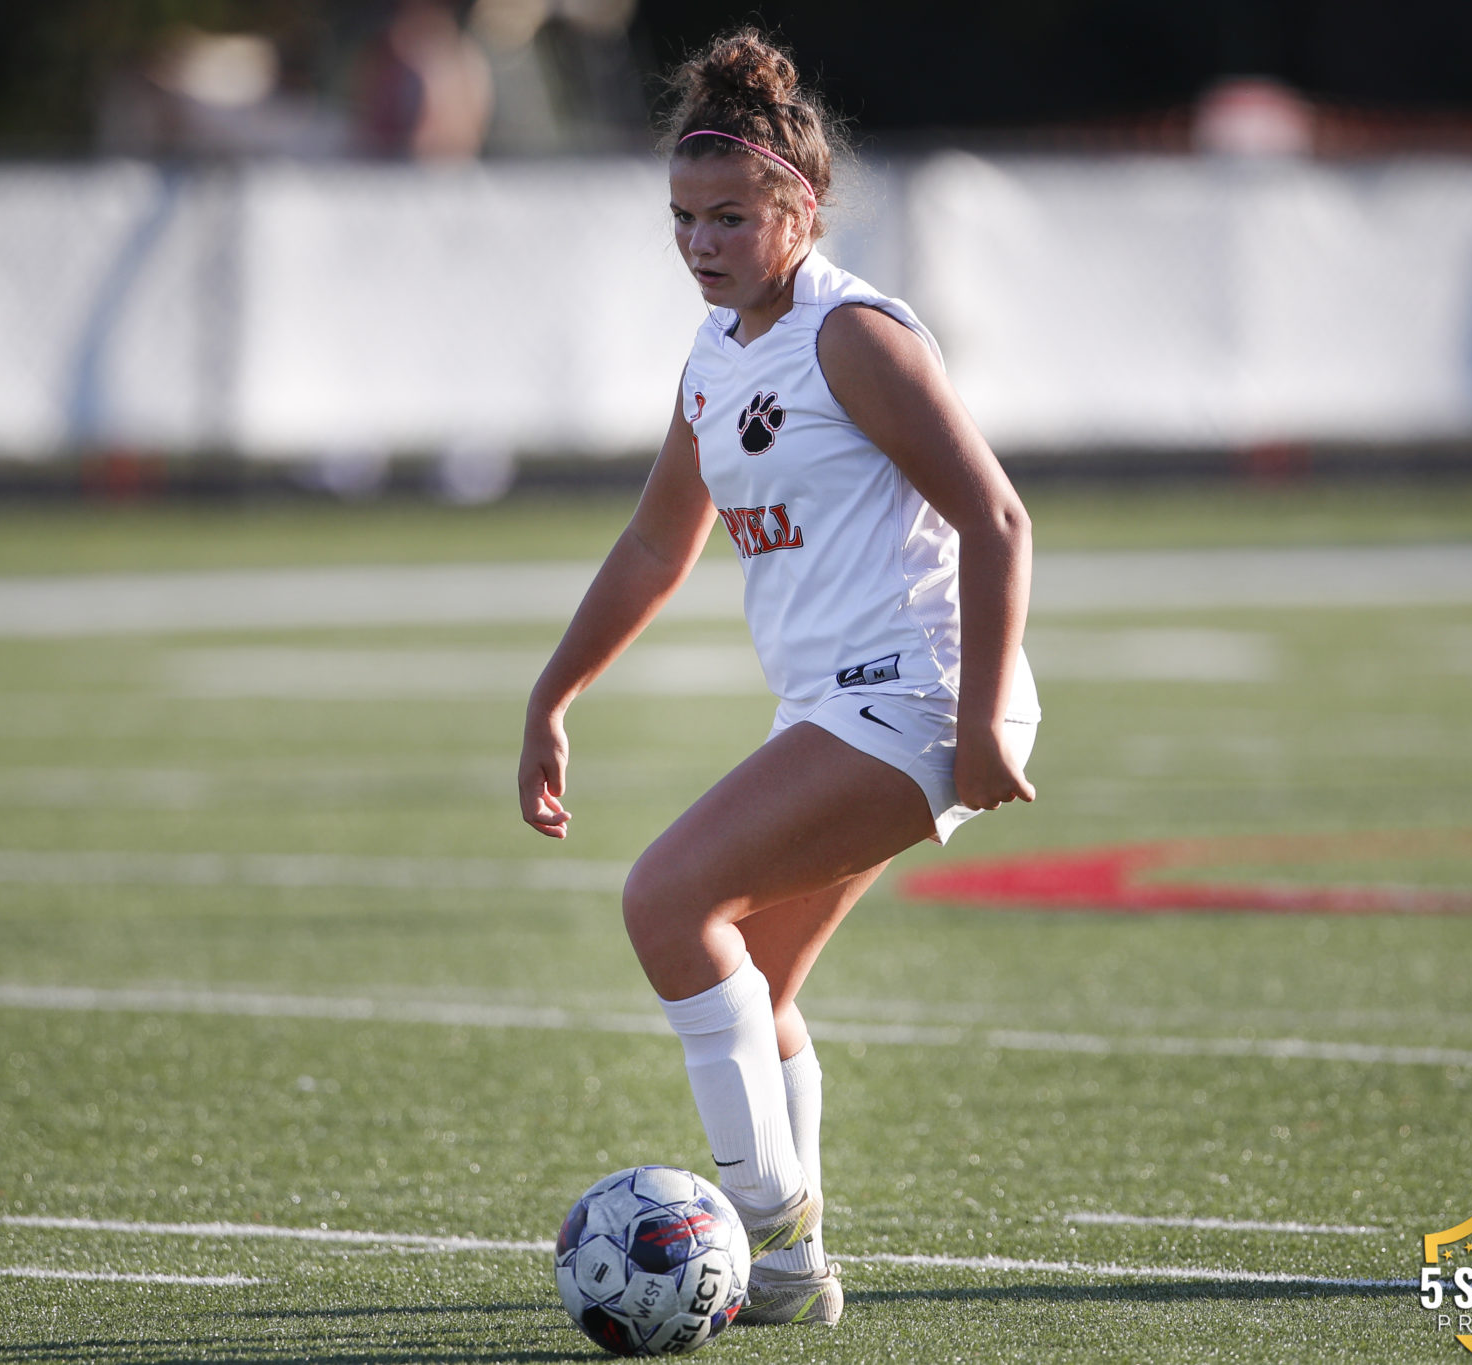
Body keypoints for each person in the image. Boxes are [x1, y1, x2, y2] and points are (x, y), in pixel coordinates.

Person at [517, 28, 1042, 1329]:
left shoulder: (849, 332)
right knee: (756, 973)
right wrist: (552, 695)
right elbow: (655, 543)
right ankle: (794, 1268)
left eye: (733, 217)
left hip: (916, 693)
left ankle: (780, 1248)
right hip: (842, 703)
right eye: (684, 218)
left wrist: (978, 719)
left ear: (801, 207)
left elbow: (996, 519)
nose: (702, 242)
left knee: (666, 898)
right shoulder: (717, 355)